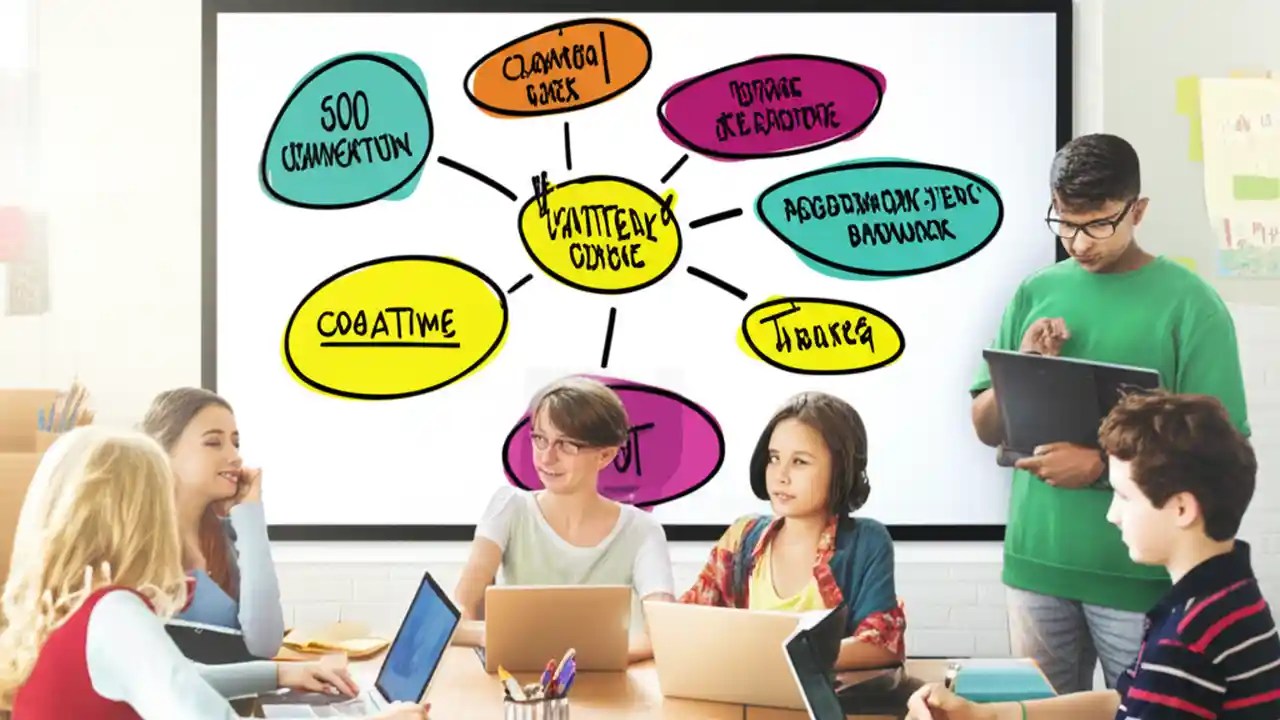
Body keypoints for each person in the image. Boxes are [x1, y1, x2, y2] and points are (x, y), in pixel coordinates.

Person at [969, 133, 1251, 692]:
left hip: (1139, 575)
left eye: (1098, 223)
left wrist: (1099, 467)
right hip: (1036, 567)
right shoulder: (1035, 292)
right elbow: (984, 428)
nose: (1079, 242)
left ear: (1137, 210)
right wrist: (1021, 368)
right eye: (1065, 223)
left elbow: (1226, 454)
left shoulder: (1189, 305)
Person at [0, 425, 431, 719]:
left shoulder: (68, 606)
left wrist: (279, 673)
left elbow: (183, 677)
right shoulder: (113, 614)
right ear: (141, 517)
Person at [907, 390, 1277, 719]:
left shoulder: (1187, 639)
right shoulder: (1224, 599)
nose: (1112, 514)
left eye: (1125, 496)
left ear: (1181, 508)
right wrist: (985, 715)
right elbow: (1122, 702)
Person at [453, 375, 677, 661]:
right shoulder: (509, 507)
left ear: (605, 456)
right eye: (540, 439)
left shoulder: (642, 530)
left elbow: (663, 631)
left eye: (567, 445)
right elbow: (460, 608)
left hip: (606, 689)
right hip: (517, 685)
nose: (546, 458)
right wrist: (497, 638)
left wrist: (576, 658)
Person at [680, 391, 906, 670]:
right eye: (774, 458)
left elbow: (882, 645)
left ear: (841, 469)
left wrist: (779, 659)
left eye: (800, 461)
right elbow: (683, 622)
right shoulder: (742, 537)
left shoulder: (866, 542)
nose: (780, 474)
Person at [141, 387, 285, 659]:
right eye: (213, 443)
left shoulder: (227, 535)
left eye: (235, 443)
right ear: (163, 451)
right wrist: (280, 675)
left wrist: (251, 512)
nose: (235, 456)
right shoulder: (134, 544)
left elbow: (265, 643)